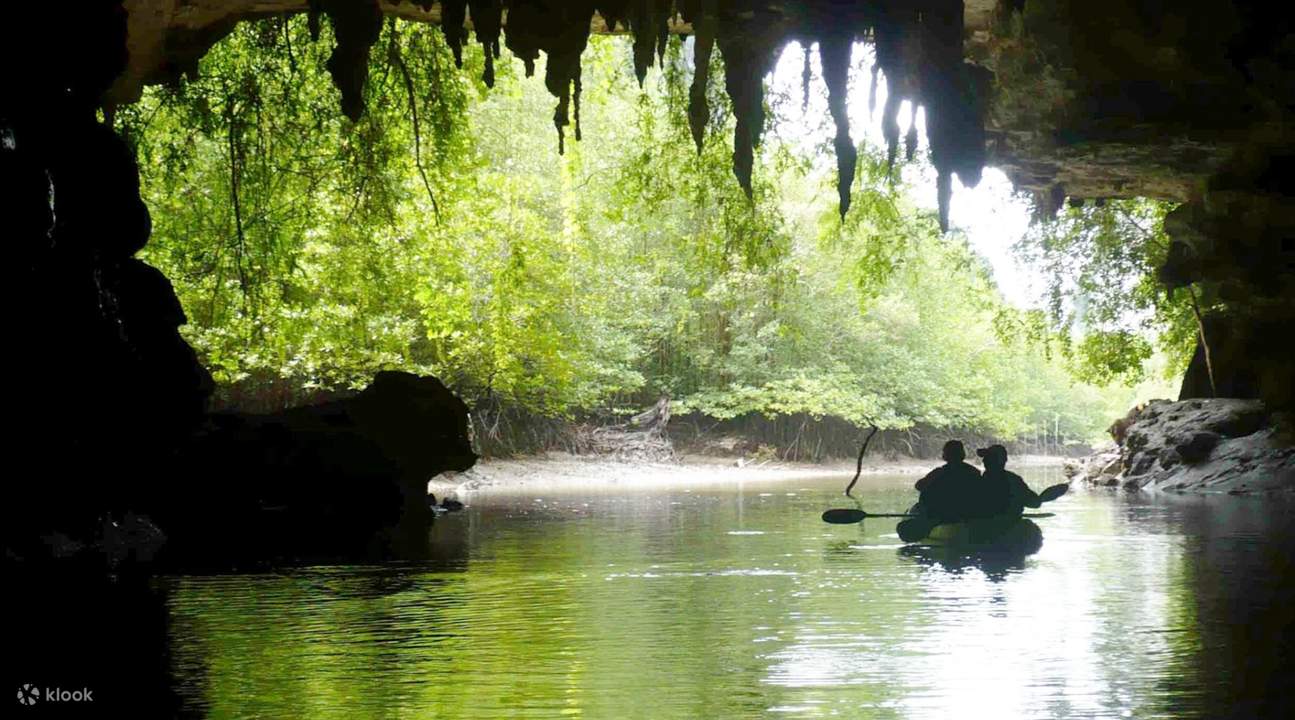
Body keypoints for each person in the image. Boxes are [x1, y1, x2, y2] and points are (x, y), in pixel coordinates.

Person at [912, 440, 982, 523]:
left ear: (946, 455)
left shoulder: (939, 472)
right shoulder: (974, 472)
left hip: (941, 514)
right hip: (968, 513)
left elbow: (919, 486)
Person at [976, 444, 1041, 518]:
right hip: (1009, 524)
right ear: (1004, 461)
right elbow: (1034, 503)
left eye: (988, 458)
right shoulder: (1013, 480)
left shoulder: (977, 480)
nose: (984, 460)